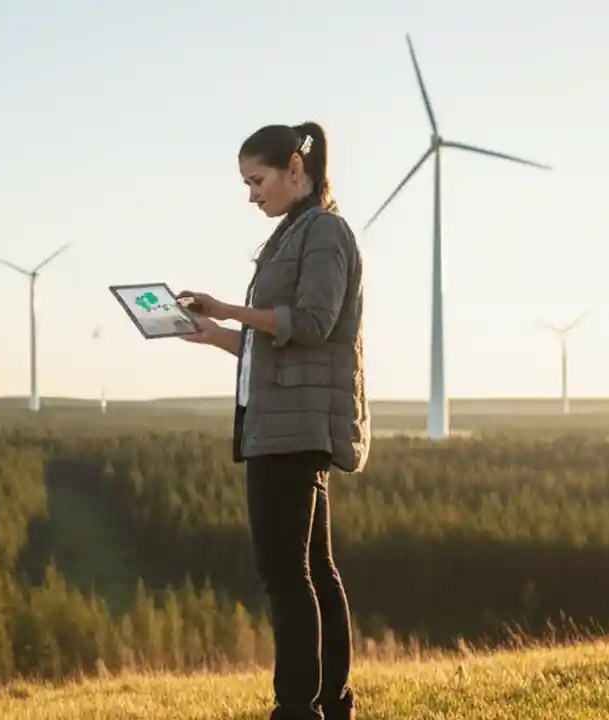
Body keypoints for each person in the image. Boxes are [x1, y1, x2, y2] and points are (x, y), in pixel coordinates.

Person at [176, 122, 369, 720]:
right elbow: (280, 343)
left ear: (294, 169)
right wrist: (218, 336)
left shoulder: (326, 233)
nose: (251, 195)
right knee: (313, 570)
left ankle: (296, 708)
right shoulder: (295, 234)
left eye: (256, 181)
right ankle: (330, 704)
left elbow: (311, 322)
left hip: (294, 431)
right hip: (283, 422)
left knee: (286, 575)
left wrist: (233, 308)